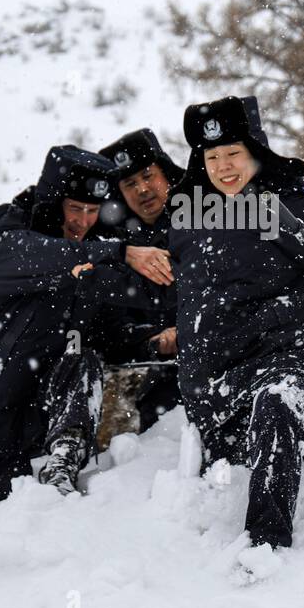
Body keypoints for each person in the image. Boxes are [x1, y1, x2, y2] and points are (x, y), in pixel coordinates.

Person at [167, 95, 304, 554]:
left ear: (256, 152)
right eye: (213, 157)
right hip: (216, 375)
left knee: (277, 405)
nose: (224, 167)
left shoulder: (291, 203)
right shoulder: (185, 215)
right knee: (237, 442)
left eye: (234, 154)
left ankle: (266, 545)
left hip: (293, 354)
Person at [0, 145, 166, 499]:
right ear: (53, 203)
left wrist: (156, 341)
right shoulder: (10, 241)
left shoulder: (90, 260)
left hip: (43, 438)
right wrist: (118, 252)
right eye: (75, 208)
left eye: (93, 210)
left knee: (83, 354)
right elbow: (41, 256)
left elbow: (111, 336)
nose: (82, 222)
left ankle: (65, 458)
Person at [96, 128, 184, 432]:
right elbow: (107, 321)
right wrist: (149, 341)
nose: (142, 189)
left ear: (167, 174)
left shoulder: (203, 219)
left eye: (148, 176)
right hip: (140, 373)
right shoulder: (112, 245)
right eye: (130, 183)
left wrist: (186, 330)